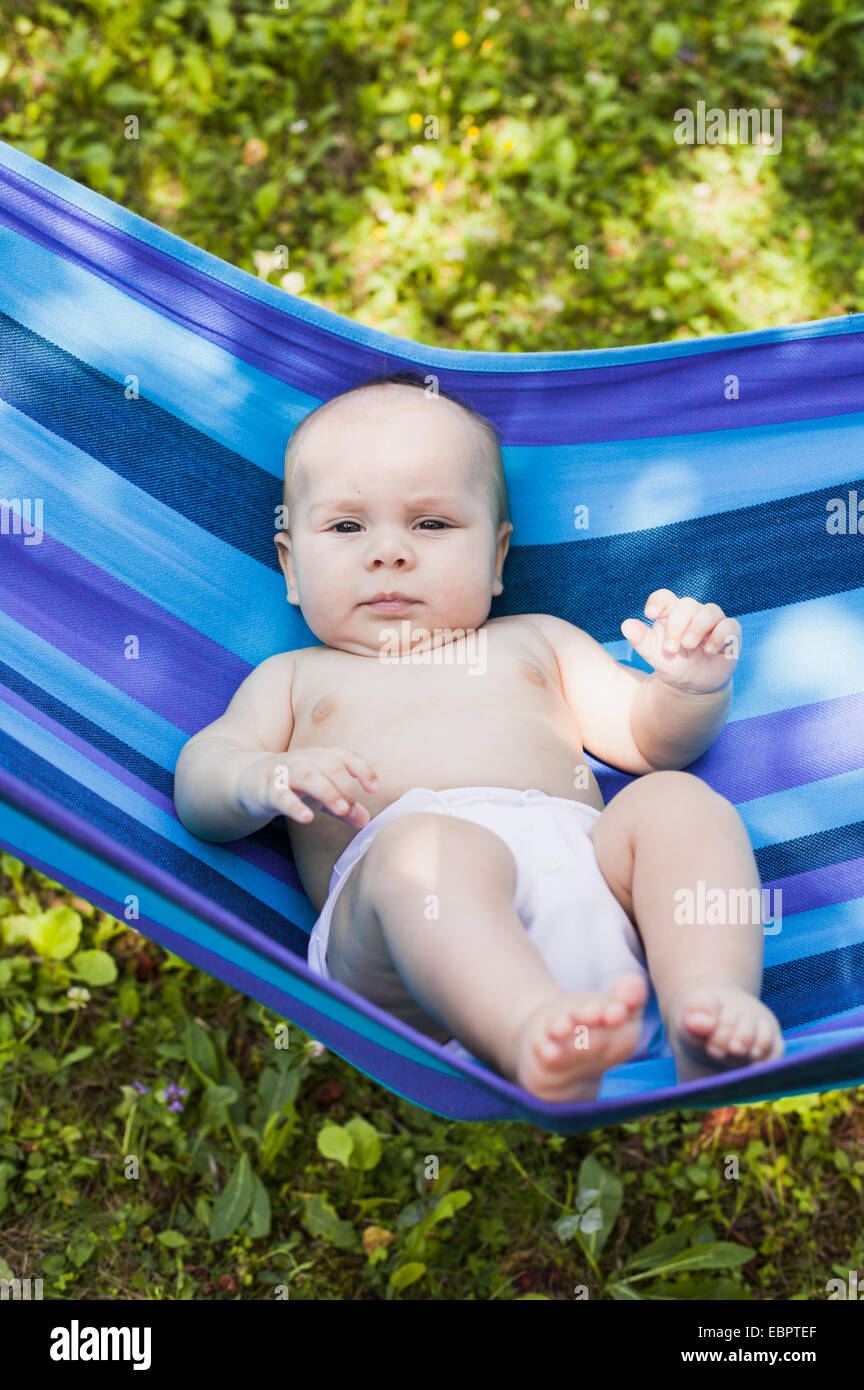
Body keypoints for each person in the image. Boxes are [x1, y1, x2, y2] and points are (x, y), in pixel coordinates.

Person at [174, 372, 784, 1102]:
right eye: (346, 527)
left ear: (497, 559)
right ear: (290, 566)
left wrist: (686, 687)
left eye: (431, 525)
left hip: (594, 904)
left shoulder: (538, 643)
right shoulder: (297, 678)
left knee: (682, 804)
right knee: (429, 848)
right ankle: (531, 1030)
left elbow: (650, 743)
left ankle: (706, 1007)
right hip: (408, 955)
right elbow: (200, 783)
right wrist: (259, 780)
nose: (389, 553)